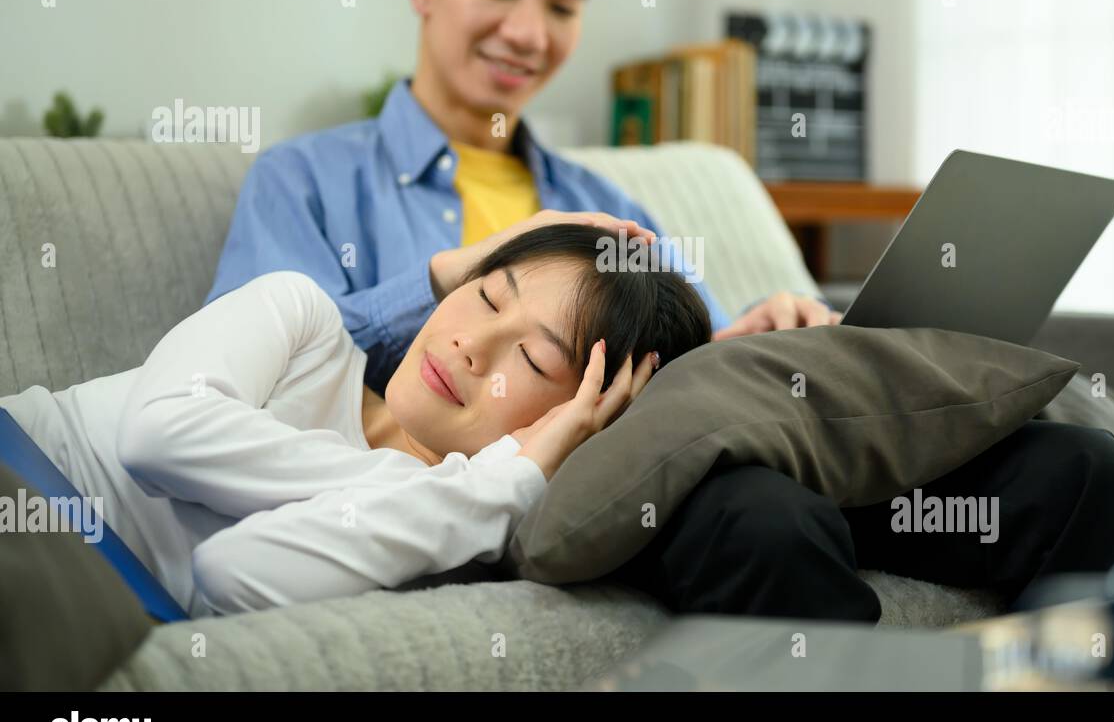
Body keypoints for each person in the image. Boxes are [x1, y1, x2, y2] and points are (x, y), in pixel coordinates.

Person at [207, 0, 1114, 622]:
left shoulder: (599, 195)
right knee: (766, 527)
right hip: (552, 488)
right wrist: (461, 273)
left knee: (1077, 474)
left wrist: (747, 342)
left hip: (678, 444)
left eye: (564, 5)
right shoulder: (310, 177)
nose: (528, 31)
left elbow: (676, 365)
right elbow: (256, 370)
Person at [0, 224, 712, 617]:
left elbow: (227, 574)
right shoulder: (303, 319)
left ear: (578, 423)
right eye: (490, 296)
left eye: (530, 357)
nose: (470, 342)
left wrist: (504, 483)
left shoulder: (451, 525)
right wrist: (417, 479)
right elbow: (158, 435)